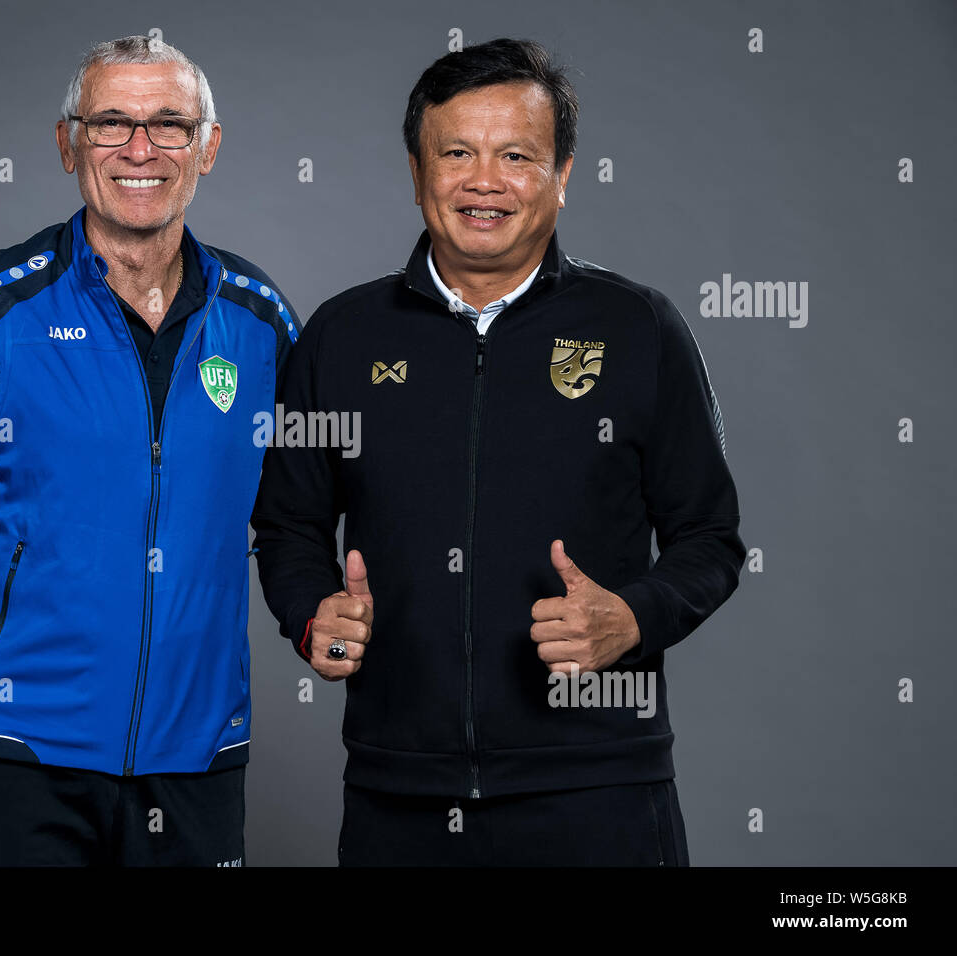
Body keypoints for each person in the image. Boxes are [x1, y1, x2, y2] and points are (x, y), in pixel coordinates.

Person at [250, 37, 744, 866]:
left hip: (599, 791)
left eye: (517, 155)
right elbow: (289, 527)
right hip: (396, 797)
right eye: (457, 154)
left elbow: (711, 539)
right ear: (416, 174)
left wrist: (632, 618)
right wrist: (310, 616)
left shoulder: (638, 328)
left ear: (562, 175)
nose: (486, 181)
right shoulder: (340, 336)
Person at [0, 35, 298, 866]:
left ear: (208, 146)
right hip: (17, 748)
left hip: (198, 756)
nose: (141, 149)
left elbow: (302, 515)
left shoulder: (259, 319)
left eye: (170, 124)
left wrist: (325, 612)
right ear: (68, 144)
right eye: (111, 123)